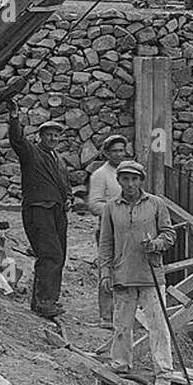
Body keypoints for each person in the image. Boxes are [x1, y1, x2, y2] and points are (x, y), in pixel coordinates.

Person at [98, 160, 176, 385]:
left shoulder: (156, 204)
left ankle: (163, 369)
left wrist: (156, 244)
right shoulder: (111, 208)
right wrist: (105, 272)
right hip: (122, 274)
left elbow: (169, 234)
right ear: (119, 180)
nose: (130, 184)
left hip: (150, 273)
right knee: (122, 323)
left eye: (134, 179)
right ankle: (120, 363)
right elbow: (106, 243)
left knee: (158, 324)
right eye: (125, 179)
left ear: (141, 181)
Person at [5, 100, 72, 320]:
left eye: (56, 135)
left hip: (57, 211)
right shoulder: (31, 153)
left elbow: (64, 183)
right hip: (39, 210)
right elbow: (17, 140)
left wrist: (69, 198)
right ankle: (43, 303)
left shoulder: (58, 159)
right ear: (41, 137)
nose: (53, 138)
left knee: (58, 255)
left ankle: (47, 299)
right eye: (49, 135)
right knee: (49, 254)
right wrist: (14, 119)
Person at [87, 134, 126, 327]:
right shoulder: (100, 175)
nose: (119, 154)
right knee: (108, 269)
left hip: (129, 230)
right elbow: (94, 204)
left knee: (128, 268)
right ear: (106, 153)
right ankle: (107, 315)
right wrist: (117, 212)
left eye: (121, 150)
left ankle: (125, 312)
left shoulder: (129, 172)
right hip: (108, 230)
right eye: (114, 151)